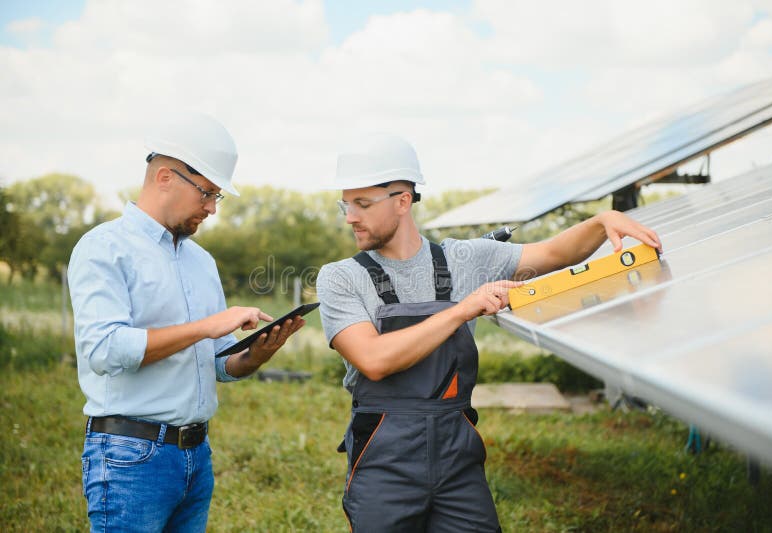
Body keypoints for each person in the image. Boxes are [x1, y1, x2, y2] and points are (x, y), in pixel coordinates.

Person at [316, 133, 662, 532]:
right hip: (383, 455)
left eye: (362, 204)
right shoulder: (341, 277)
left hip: (456, 452)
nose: (350, 217)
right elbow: (374, 361)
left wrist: (602, 223)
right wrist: (463, 309)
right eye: (346, 204)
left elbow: (554, 254)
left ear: (403, 200)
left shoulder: (466, 258)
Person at [68, 111, 305, 532]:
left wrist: (254, 356)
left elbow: (217, 363)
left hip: (196, 457)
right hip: (130, 458)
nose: (213, 208)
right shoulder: (103, 248)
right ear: (165, 177)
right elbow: (104, 351)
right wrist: (205, 327)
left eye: (218, 196)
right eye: (207, 193)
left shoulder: (201, 261)